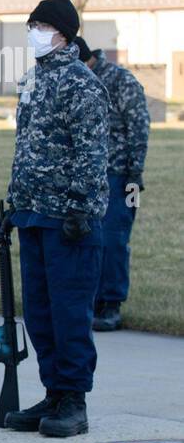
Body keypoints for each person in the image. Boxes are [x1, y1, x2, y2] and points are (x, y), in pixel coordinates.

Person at [1, 0, 109, 437]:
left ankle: (73, 400)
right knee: (40, 312)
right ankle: (52, 391)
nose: (35, 32)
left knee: (69, 312)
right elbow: (25, 149)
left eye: (43, 25)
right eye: (32, 24)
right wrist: (13, 206)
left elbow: (92, 151)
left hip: (68, 219)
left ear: (65, 33)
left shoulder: (81, 83)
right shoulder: (32, 81)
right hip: (33, 214)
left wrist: (81, 206)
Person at [73, 36, 149, 332]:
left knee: (115, 239)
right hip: (87, 176)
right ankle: (89, 300)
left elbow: (139, 126)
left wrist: (135, 172)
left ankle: (111, 304)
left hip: (120, 177)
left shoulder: (119, 80)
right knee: (86, 239)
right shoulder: (76, 80)